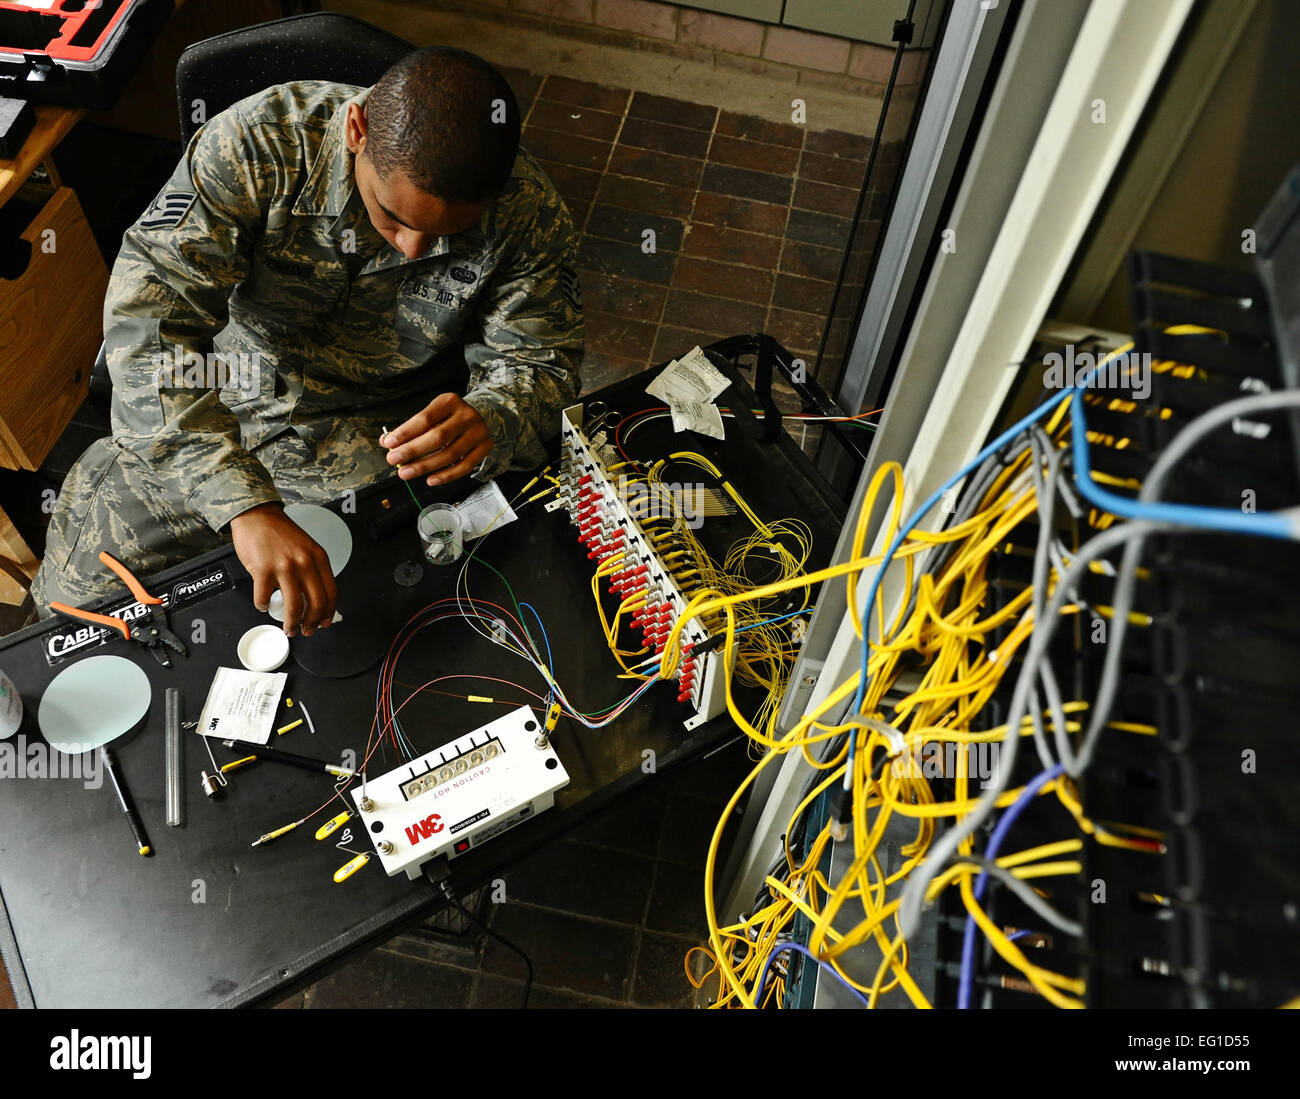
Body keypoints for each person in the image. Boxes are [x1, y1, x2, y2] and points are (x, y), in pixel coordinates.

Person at [31, 46, 583, 636]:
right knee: (73, 607)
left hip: (380, 431)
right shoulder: (255, 146)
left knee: (393, 611)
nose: (413, 249)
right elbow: (150, 327)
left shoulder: (528, 210)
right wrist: (242, 503)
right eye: (393, 215)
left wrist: (496, 416)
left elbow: (542, 364)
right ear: (357, 129)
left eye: (449, 233)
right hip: (224, 397)